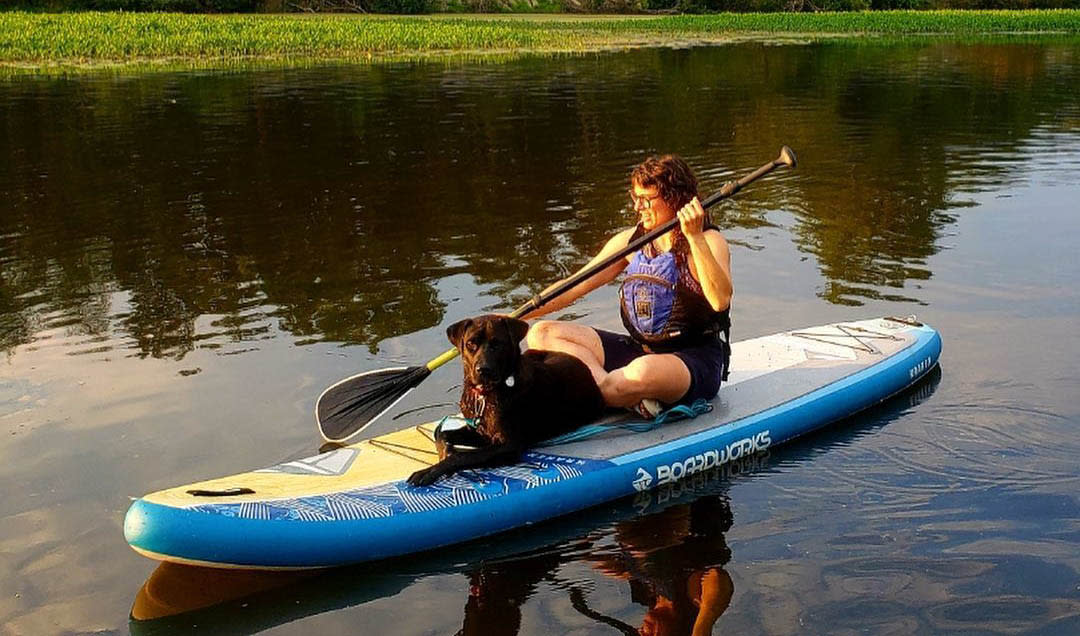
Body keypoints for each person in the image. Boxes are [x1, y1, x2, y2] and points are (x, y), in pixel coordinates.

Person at [524, 155, 732, 417]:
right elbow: (573, 286)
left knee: (641, 371)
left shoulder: (710, 241)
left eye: (646, 199)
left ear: (675, 198)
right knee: (541, 334)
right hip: (639, 350)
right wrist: (514, 317)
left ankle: (613, 389)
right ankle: (613, 390)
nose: (638, 207)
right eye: (635, 198)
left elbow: (720, 300)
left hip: (693, 360)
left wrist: (694, 236)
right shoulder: (630, 241)